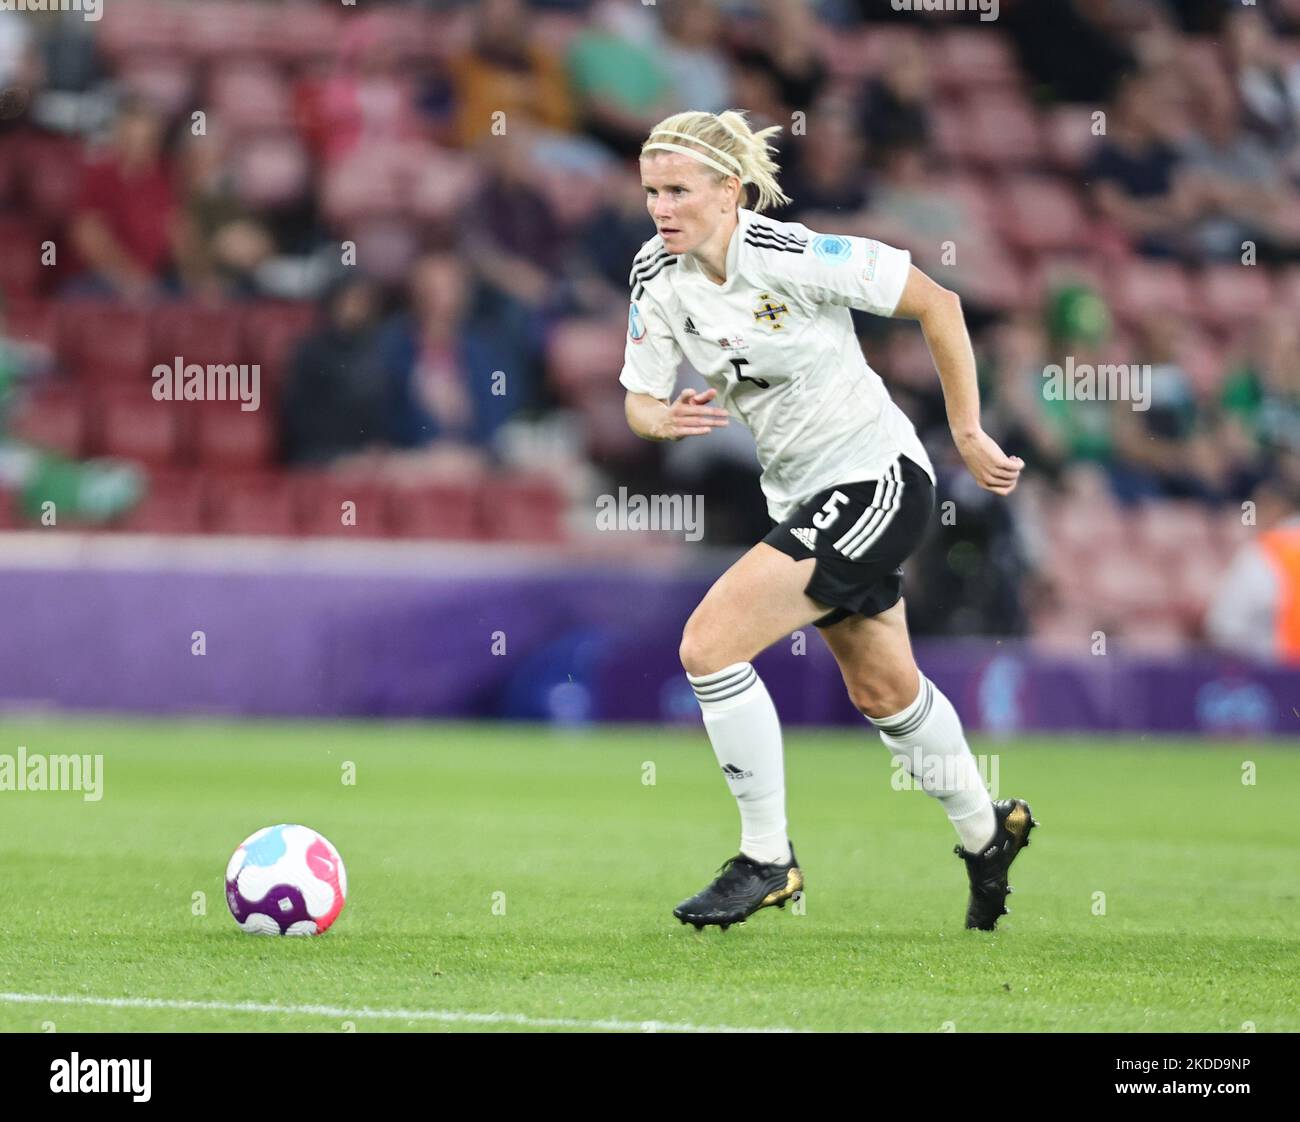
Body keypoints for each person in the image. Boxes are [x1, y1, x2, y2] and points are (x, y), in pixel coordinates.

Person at [620, 109, 1037, 933]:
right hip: (802, 496)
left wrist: (965, 430)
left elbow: (939, 303)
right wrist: (656, 418)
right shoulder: (654, 273)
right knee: (885, 690)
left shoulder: (792, 253)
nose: (661, 208)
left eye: (678, 190)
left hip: (876, 478)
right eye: (650, 192)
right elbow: (637, 394)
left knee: (708, 644)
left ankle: (767, 858)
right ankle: (987, 833)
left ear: (730, 192)